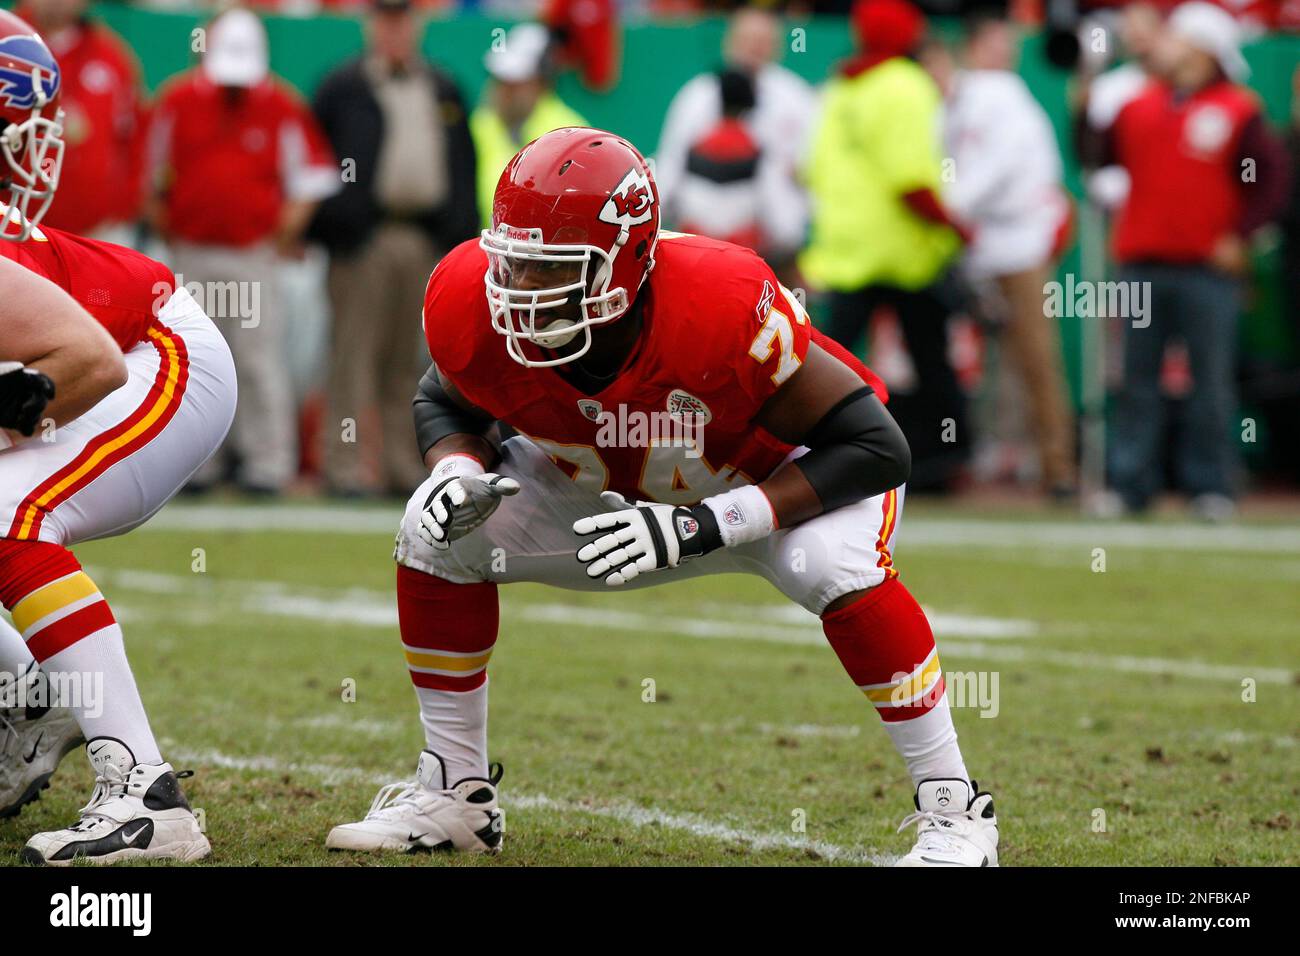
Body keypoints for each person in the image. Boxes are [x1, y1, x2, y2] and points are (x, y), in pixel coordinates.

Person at [326, 128, 1000, 868]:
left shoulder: (720, 302)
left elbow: (877, 446)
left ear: (624, 264)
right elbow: (444, 398)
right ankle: (455, 796)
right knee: (435, 534)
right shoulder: (471, 299)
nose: (517, 289)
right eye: (513, 261)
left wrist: (710, 523)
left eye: (548, 269)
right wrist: (453, 469)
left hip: (775, 481)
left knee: (827, 567)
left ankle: (956, 811)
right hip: (614, 491)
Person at [0, 10, 236, 864]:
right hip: (101, 354)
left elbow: (88, 361)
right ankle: (29, 695)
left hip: (154, 355)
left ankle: (144, 795)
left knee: (10, 515)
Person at [1084, 2, 1290, 519]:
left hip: (1205, 269)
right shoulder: (1138, 104)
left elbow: (1271, 180)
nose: (1164, 46)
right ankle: (1131, 484)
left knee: (1211, 382)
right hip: (1141, 261)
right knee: (1137, 381)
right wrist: (1083, 102)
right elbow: (1095, 155)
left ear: (1201, 46)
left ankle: (1212, 485)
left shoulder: (1238, 108)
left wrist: (1240, 236)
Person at [147, 7, 337, 494]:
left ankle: (267, 465)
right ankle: (195, 465)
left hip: (252, 256)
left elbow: (312, 178)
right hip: (190, 251)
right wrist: (169, 231)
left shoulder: (280, 104)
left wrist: (278, 235)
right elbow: (149, 173)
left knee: (255, 360)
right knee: (191, 359)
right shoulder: (177, 100)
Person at [310, 0, 479, 497]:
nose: (395, 29)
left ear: (416, 25)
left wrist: (457, 237)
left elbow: (462, 164)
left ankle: (405, 467)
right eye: (386, 19)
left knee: (414, 362)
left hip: (425, 239)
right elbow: (314, 161)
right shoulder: (343, 86)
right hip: (365, 240)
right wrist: (332, 226)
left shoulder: (443, 87)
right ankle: (343, 467)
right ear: (371, 26)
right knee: (352, 356)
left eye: (402, 19)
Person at [801, 0, 972, 491]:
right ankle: (946, 463)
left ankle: (797, 452)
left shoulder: (838, 87)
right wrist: (957, 228)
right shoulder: (906, 84)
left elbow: (809, 168)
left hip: (845, 254)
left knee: (819, 365)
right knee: (933, 363)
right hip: (904, 255)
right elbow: (912, 181)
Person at [924, 16, 1077, 497]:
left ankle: (1058, 469)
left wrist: (952, 205)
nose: (1005, 50)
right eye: (995, 40)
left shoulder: (1003, 93)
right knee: (977, 363)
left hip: (1015, 244)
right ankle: (977, 459)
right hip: (970, 247)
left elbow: (1008, 164)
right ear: (971, 44)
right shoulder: (955, 97)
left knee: (1035, 358)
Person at [655, 6, 813, 274]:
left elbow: (808, 167)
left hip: (776, 248)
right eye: (747, 40)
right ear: (729, 42)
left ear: (778, 46)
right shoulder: (697, 95)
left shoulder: (795, 98)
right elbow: (672, 160)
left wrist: (791, 232)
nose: (754, 49)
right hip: (701, 245)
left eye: (763, 42)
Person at [15, 0, 147, 243]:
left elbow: (134, 137)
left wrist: (124, 206)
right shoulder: (8, 42)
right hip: (12, 223)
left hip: (95, 229)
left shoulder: (112, 56)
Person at [666, 68, 804, 256]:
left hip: (693, 255)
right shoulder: (758, 152)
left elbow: (666, 188)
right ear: (751, 105)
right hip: (739, 259)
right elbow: (784, 227)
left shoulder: (694, 146)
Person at [470, 22, 586, 227]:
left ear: (541, 82)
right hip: (485, 247)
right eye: (501, 81)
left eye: (516, 83)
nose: (504, 92)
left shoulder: (571, 133)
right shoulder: (481, 124)